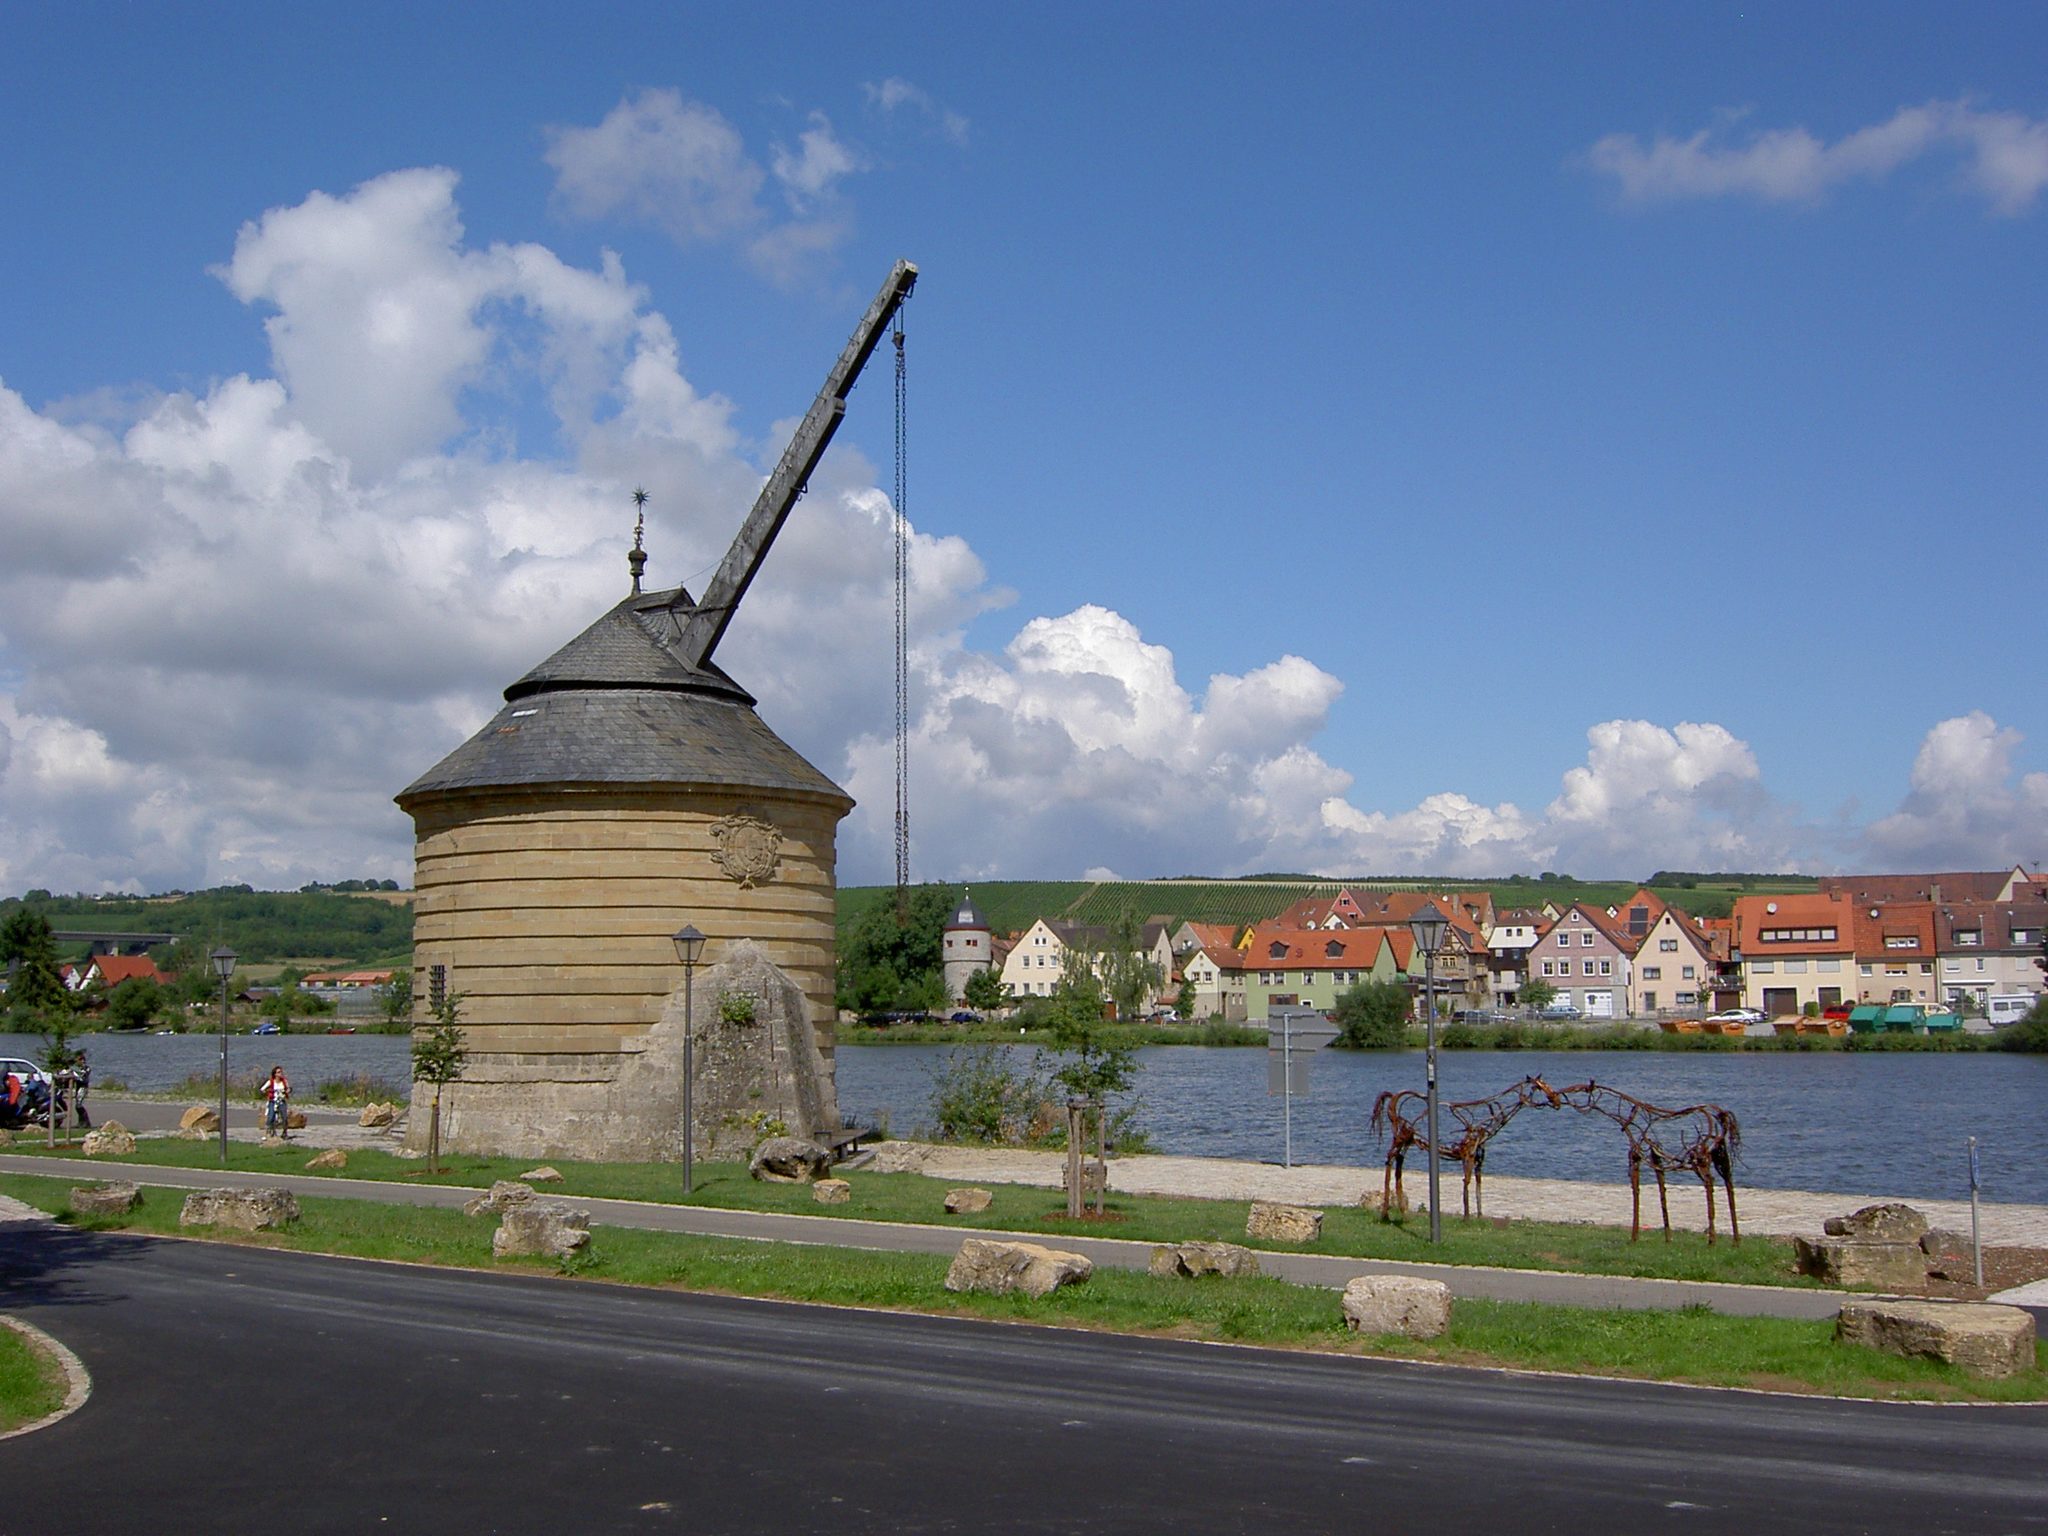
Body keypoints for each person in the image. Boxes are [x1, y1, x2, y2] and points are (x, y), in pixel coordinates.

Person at [260, 1065, 292, 1139]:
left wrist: (287, 1091)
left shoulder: (284, 1081)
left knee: (284, 1117)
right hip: (273, 1101)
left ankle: (284, 1132)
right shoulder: (270, 1082)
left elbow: (288, 1088)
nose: (280, 1073)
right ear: (275, 1074)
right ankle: (269, 1131)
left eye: (281, 1072)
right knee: (271, 1117)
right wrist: (268, 1091)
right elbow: (262, 1089)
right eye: (278, 1072)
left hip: (281, 1101)